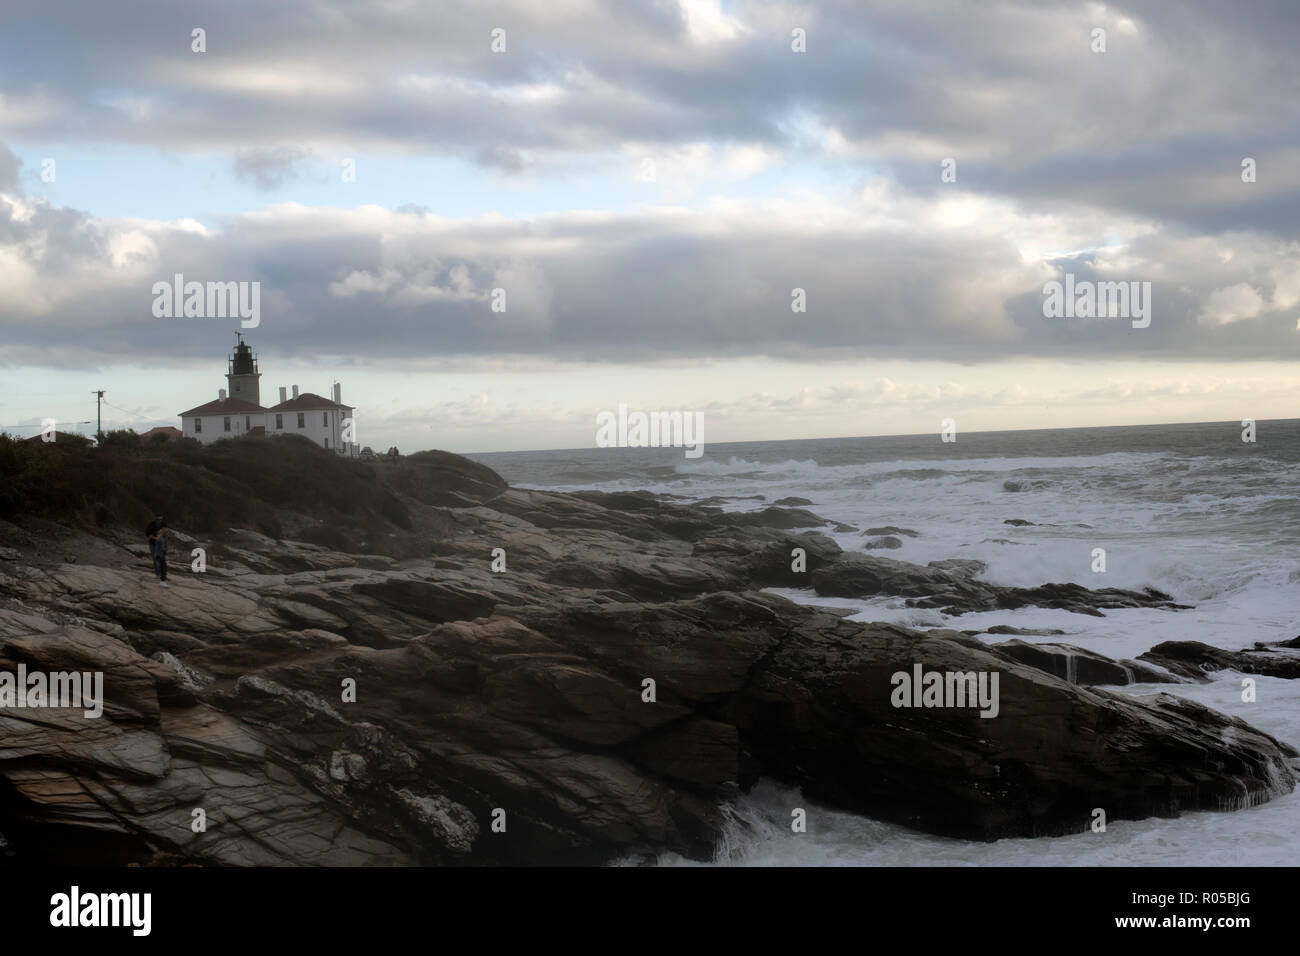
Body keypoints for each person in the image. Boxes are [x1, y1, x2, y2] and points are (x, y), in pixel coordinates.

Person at [145, 513, 168, 586]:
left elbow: (167, 534)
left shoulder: (164, 525)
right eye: (158, 519)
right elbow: (147, 534)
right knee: (155, 559)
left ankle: (162, 576)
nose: (159, 521)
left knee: (162, 560)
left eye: (161, 519)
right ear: (155, 518)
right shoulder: (151, 525)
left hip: (161, 544)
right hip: (153, 544)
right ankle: (158, 574)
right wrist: (154, 538)